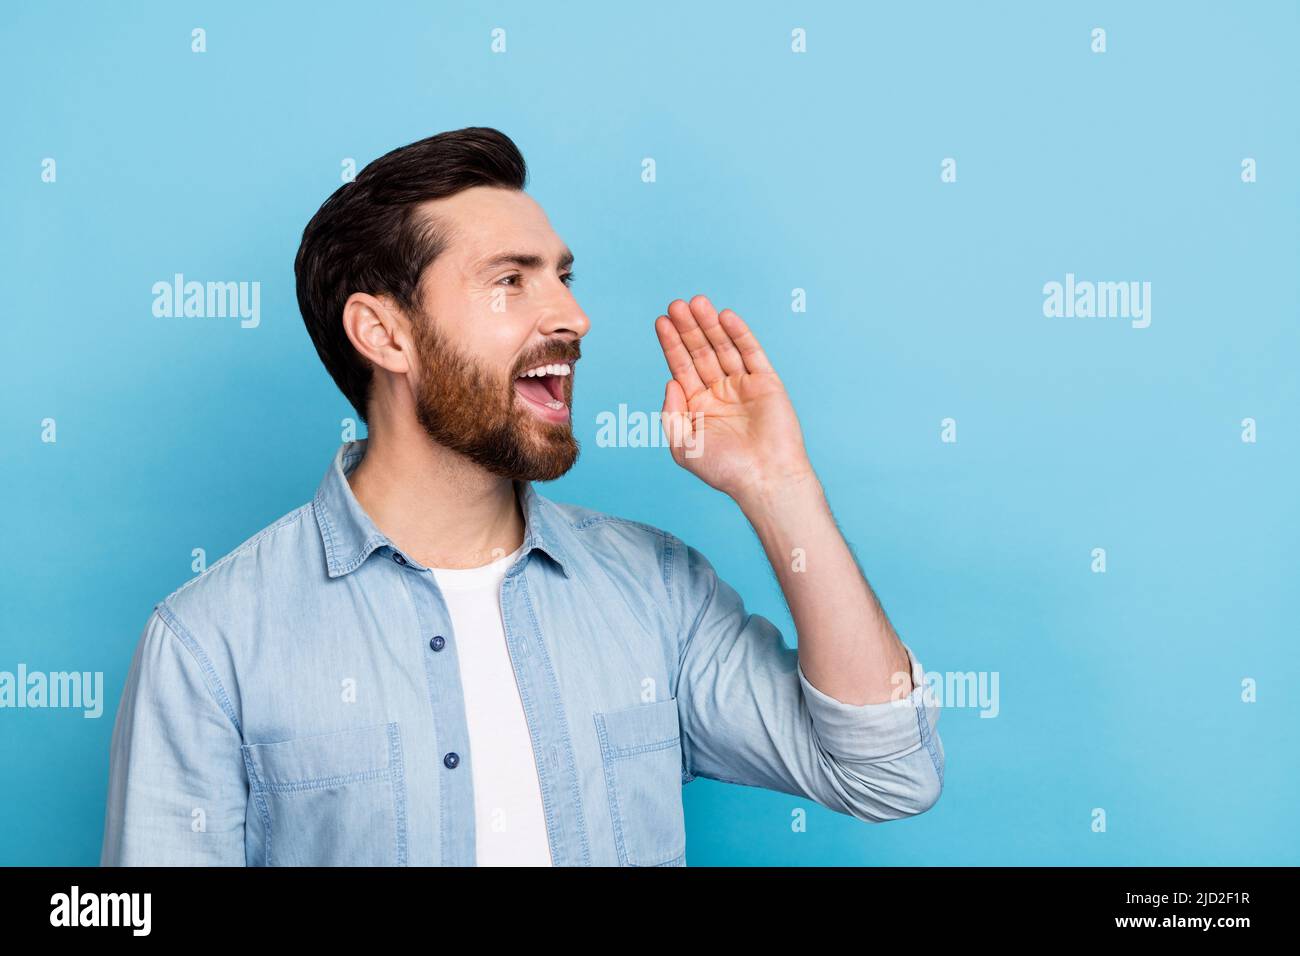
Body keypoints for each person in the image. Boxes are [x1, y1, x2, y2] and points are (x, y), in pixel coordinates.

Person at [100, 127, 944, 867]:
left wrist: (778, 487)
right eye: (511, 280)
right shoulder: (209, 643)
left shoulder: (655, 591)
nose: (572, 315)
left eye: (563, 277)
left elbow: (886, 773)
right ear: (384, 333)